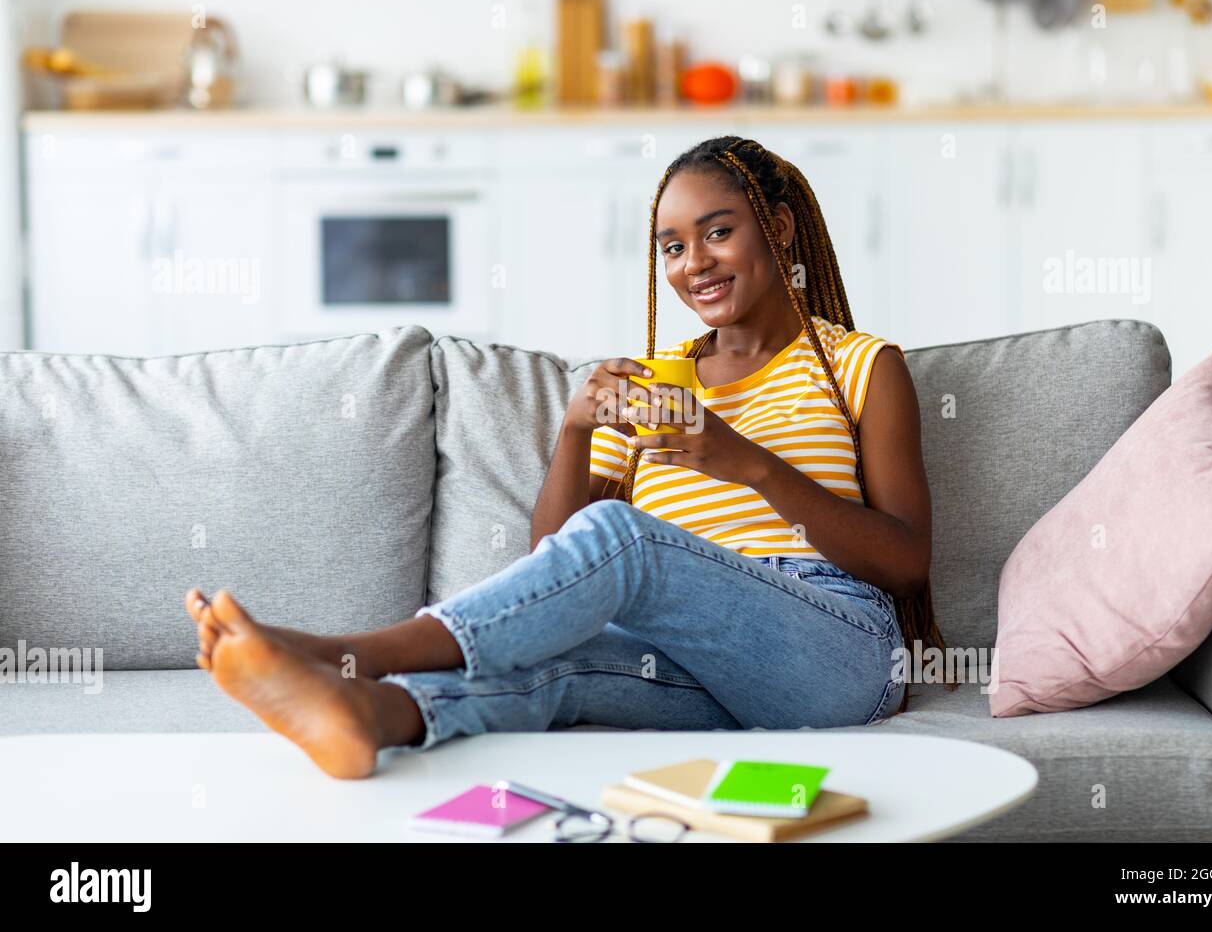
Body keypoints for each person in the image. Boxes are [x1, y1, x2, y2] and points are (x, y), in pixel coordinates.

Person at [185, 135, 950, 779]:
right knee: (545, 669)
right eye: (674, 247)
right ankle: (368, 716)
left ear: (779, 228)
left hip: (837, 651)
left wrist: (742, 460)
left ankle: (349, 654)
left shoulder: (858, 365)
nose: (694, 265)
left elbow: (905, 559)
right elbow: (556, 565)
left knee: (626, 535)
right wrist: (576, 431)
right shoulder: (655, 385)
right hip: (704, 670)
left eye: (719, 232)